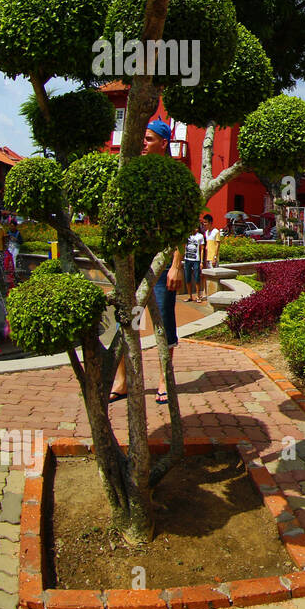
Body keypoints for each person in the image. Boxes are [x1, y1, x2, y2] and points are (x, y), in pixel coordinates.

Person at [111, 119, 184, 404]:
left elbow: (183, 224)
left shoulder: (174, 177)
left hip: (162, 259)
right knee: (126, 318)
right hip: (133, 260)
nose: (143, 142)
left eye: (150, 139)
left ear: (164, 143)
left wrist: (176, 263)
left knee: (163, 320)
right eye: (142, 137)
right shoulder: (131, 173)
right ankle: (123, 379)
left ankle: (165, 377)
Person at [184, 222, 205, 302]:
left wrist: (201, 261)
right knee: (187, 278)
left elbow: (202, 249)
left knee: (197, 278)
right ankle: (190, 296)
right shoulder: (187, 235)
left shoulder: (200, 236)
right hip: (187, 259)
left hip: (196, 259)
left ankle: (198, 296)